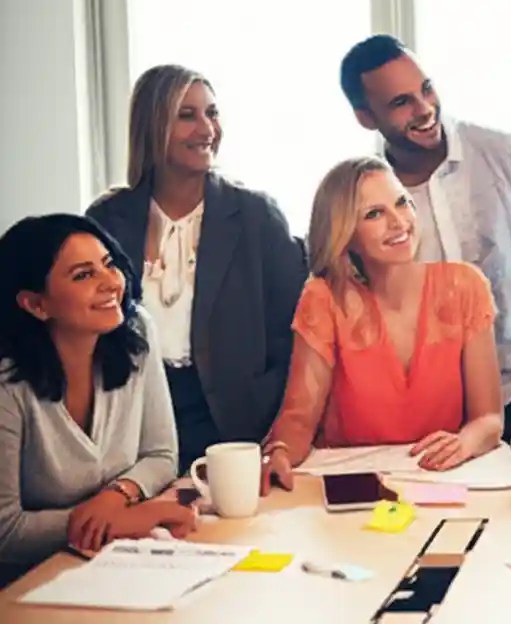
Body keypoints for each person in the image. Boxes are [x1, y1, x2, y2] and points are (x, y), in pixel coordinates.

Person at [339, 35, 511, 442]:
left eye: (426, 89)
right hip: (431, 418)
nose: (424, 109)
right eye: (401, 103)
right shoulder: (364, 198)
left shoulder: (508, 156)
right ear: (366, 117)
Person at [86, 65, 308, 472]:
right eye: (187, 115)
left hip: (235, 423)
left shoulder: (256, 215)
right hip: (135, 422)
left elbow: (294, 334)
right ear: (152, 124)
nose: (207, 128)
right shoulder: (106, 219)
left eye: (212, 113)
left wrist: (279, 433)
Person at [259, 157, 503, 493]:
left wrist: (464, 443)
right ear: (346, 235)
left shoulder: (465, 285)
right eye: (374, 214)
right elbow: (299, 419)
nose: (398, 221)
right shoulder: (324, 297)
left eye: (402, 203)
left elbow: (489, 419)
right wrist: (279, 454)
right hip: (353, 490)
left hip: (441, 483)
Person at [0, 215, 197, 580]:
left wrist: (116, 497)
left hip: (116, 566)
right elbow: (5, 531)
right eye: (83, 275)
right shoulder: (7, 383)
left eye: (108, 264)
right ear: (34, 304)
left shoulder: (136, 331)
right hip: (28, 584)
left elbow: (161, 454)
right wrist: (122, 521)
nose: (111, 283)